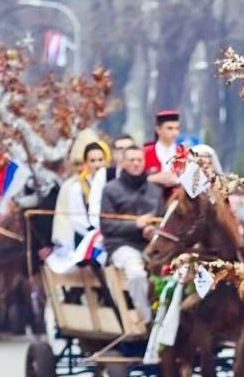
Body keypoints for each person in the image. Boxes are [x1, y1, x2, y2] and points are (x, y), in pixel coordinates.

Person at [99, 145, 164, 322]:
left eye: (139, 160)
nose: (136, 163)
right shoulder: (110, 189)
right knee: (137, 275)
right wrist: (135, 224)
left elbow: (162, 221)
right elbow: (106, 225)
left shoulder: (155, 191)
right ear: (123, 162)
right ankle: (147, 321)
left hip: (151, 246)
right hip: (122, 246)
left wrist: (152, 230)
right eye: (132, 160)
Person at [53, 139, 109, 252]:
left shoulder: (111, 183)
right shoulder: (77, 187)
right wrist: (93, 234)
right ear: (86, 163)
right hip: (86, 237)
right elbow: (76, 219)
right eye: (92, 161)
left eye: (100, 160)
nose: (97, 165)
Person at [88, 133, 136, 228]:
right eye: (121, 149)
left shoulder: (144, 175)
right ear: (113, 153)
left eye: (129, 148)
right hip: (107, 229)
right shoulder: (103, 174)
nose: (125, 152)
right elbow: (94, 207)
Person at [143, 110, 185, 187]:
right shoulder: (145, 152)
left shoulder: (184, 153)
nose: (175, 133)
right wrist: (151, 178)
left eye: (177, 128)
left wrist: (178, 179)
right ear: (158, 130)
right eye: (170, 128)